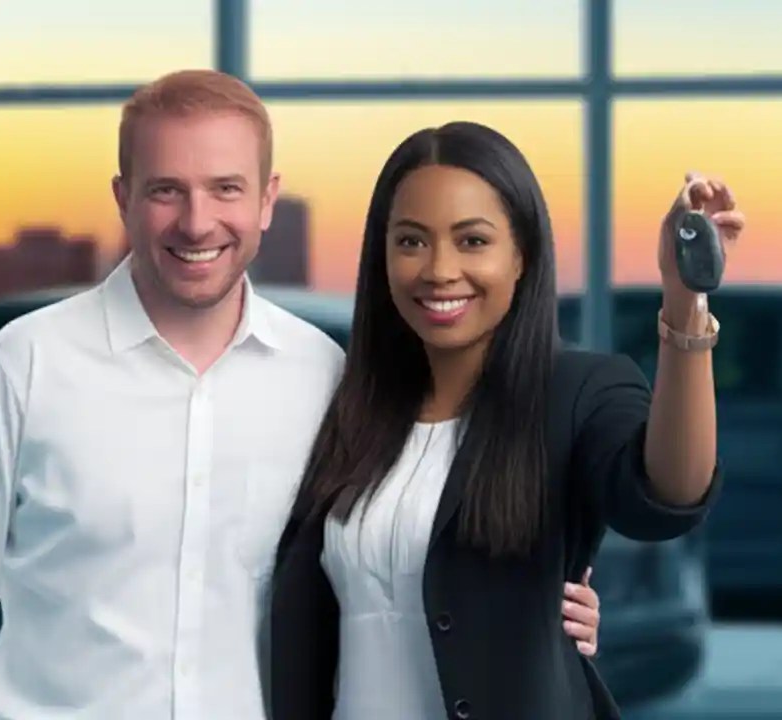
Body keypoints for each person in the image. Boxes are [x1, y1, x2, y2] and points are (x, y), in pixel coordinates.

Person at [0, 70, 602, 720]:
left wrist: (534, 606)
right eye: (166, 190)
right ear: (123, 199)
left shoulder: (326, 377)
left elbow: (388, 560)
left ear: (267, 200)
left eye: (226, 189)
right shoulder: (25, 364)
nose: (197, 222)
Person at [268, 121, 743, 720]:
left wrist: (684, 299)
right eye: (411, 241)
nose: (439, 269)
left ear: (522, 254)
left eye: (472, 241)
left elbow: (670, 494)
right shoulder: (347, 408)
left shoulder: (577, 390)